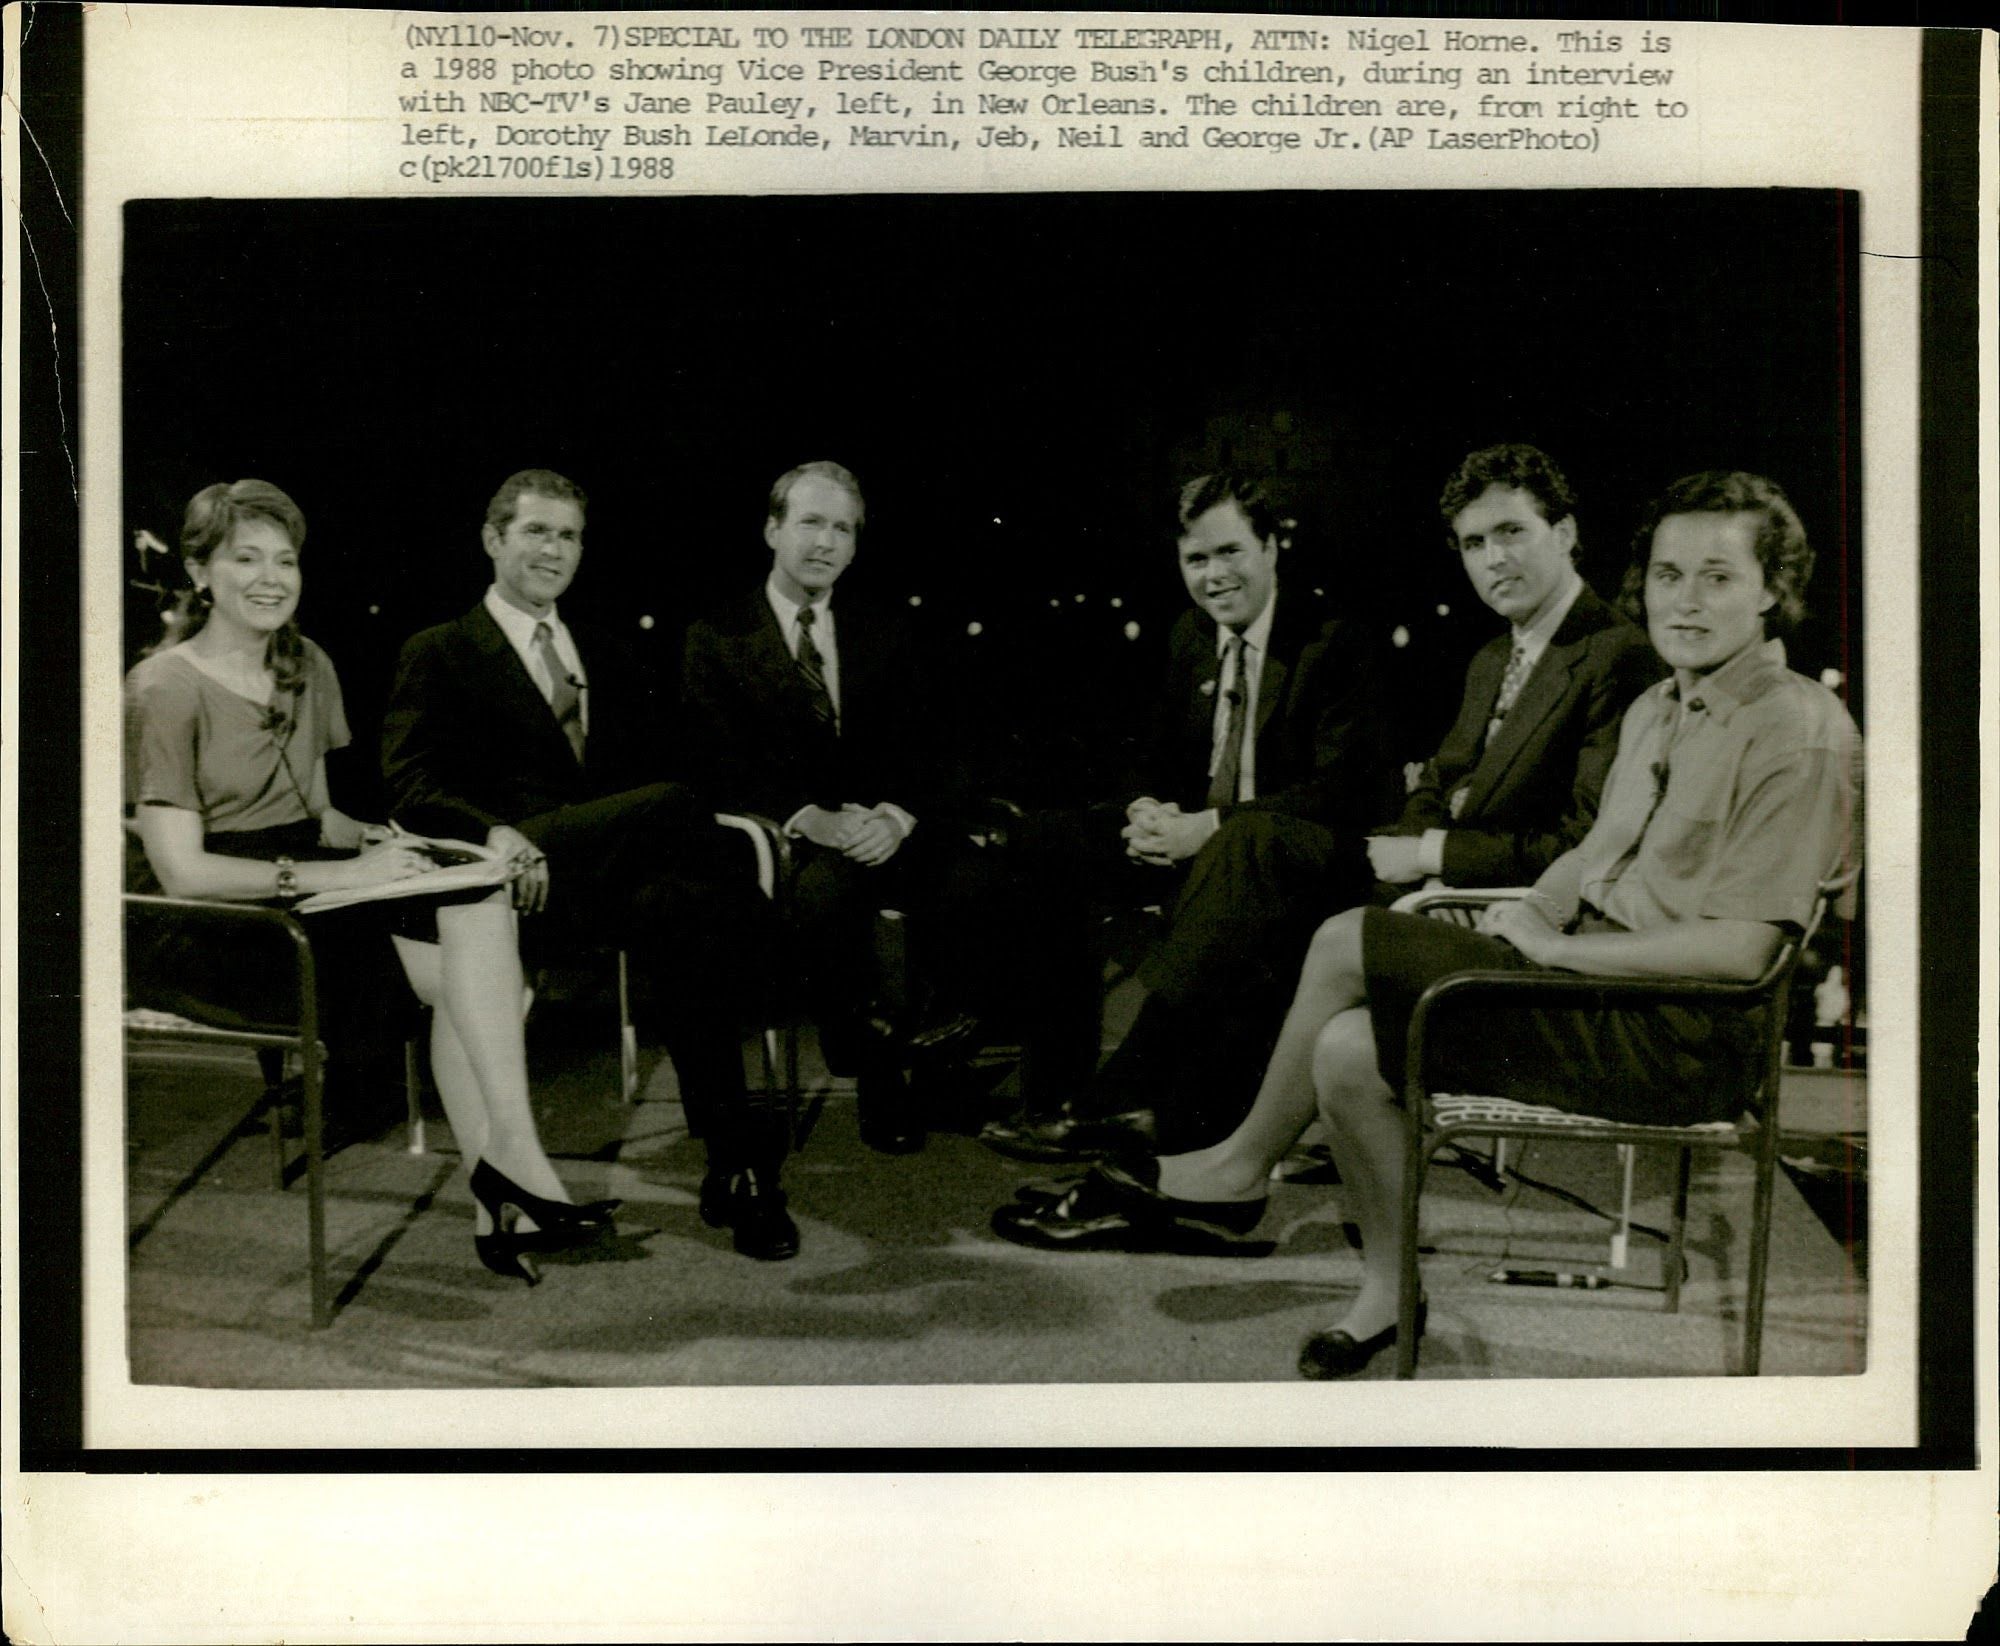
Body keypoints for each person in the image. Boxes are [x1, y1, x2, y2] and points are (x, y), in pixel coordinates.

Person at [1028, 470, 1861, 1379]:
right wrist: (1527, 921)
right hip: (1595, 991)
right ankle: (1389, 1293)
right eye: (1668, 576)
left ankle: (1235, 1168)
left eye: (1717, 578)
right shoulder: (1662, 705)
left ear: (1774, 591)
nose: (1685, 601)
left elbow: (1743, 954)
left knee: (1347, 938)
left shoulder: (1799, 732)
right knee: (1346, 1052)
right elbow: (1590, 856)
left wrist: (1554, 946)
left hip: (1678, 1031)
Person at [987, 445, 1662, 1185]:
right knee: (1159, 852)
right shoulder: (1493, 656)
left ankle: (1133, 1098)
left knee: (1253, 846)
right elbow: (1437, 781)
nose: (1493, 560)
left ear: (1564, 534)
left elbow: (1586, 842)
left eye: (1512, 533)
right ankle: (1163, 1107)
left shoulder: (1615, 656)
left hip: (1489, 906)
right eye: (1474, 543)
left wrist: (1429, 855)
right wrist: (1409, 839)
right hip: (1405, 867)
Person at [125, 479, 615, 1286]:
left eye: (285, 560)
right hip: (215, 925)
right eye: (244, 558)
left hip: (311, 886)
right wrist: (351, 871)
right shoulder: (162, 687)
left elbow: (321, 815)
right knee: (469, 974)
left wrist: (411, 846)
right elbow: (182, 872)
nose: (270, 578)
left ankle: (509, 1182)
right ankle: (512, 1182)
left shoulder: (306, 663)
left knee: (476, 908)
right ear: (198, 570)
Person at [380, 470, 789, 1260]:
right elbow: (411, 782)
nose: (554, 550)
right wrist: (496, 832)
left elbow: (635, 773)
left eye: (568, 536)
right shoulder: (439, 650)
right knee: (678, 809)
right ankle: (770, 955)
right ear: (493, 539)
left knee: (687, 912)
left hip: (602, 881)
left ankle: (736, 1167)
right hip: (506, 887)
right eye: (536, 531)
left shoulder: (603, 648)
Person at [978, 470, 1388, 1169]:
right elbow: (1153, 754)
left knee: (1242, 853)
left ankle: (1115, 1099)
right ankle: (1052, 1092)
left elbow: (1342, 791)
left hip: (1294, 860)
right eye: (1196, 560)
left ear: (1270, 549)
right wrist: (1145, 811)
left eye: (1230, 552)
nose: (1214, 576)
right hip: (1206, 840)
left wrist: (1213, 825)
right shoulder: (1190, 638)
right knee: (1051, 844)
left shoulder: (1334, 640)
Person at [680, 460, 982, 1156]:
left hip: (883, 830)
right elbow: (714, 765)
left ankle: (925, 1050)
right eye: (811, 522)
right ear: (772, 529)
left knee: (982, 882)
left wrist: (896, 816)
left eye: (843, 528)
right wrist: (808, 816)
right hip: (792, 841)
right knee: (828, 891)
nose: (827, 542)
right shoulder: (717, 636)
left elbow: (936, 746)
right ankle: (879, 1068)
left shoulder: (884, 629)